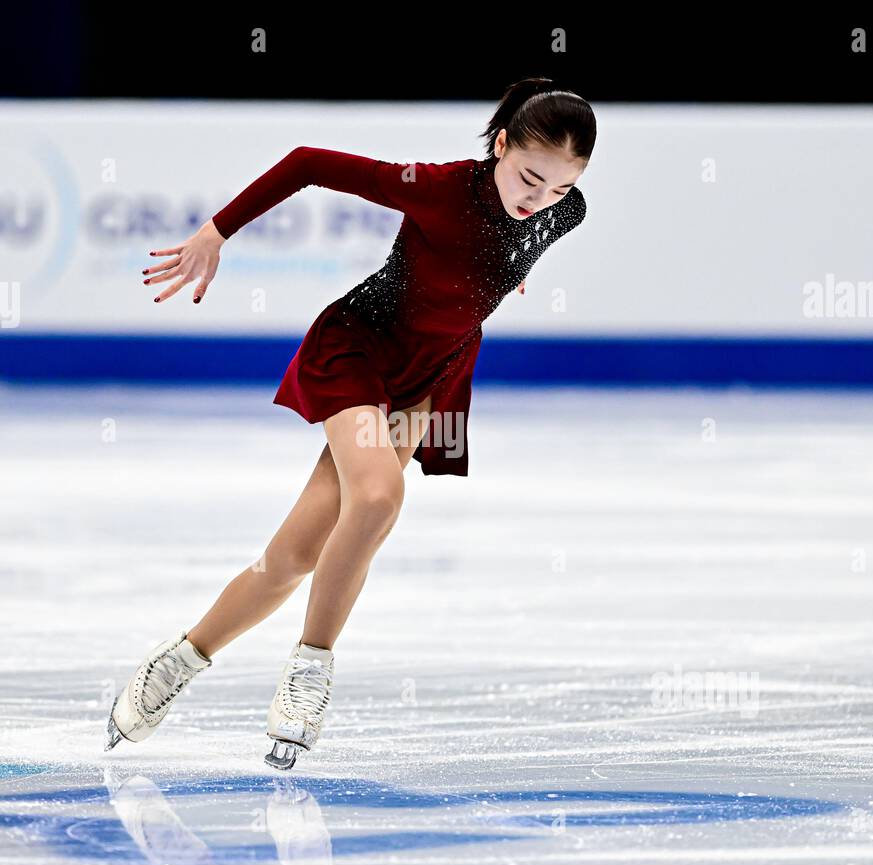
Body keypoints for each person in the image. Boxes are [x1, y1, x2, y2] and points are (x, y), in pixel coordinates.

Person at [106, 77, 595, 769]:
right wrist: (216, 232)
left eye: (556, 187)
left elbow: (507, 248)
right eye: (528, 177)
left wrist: (504, 271)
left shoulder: (566, 213)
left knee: (293, 558)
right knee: (377, 496)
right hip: (360, 349)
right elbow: (308, 161)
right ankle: (310, 671)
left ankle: (178, 661)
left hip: (430, 376)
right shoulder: (439, 187)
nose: (538, 198)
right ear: (501, 143)